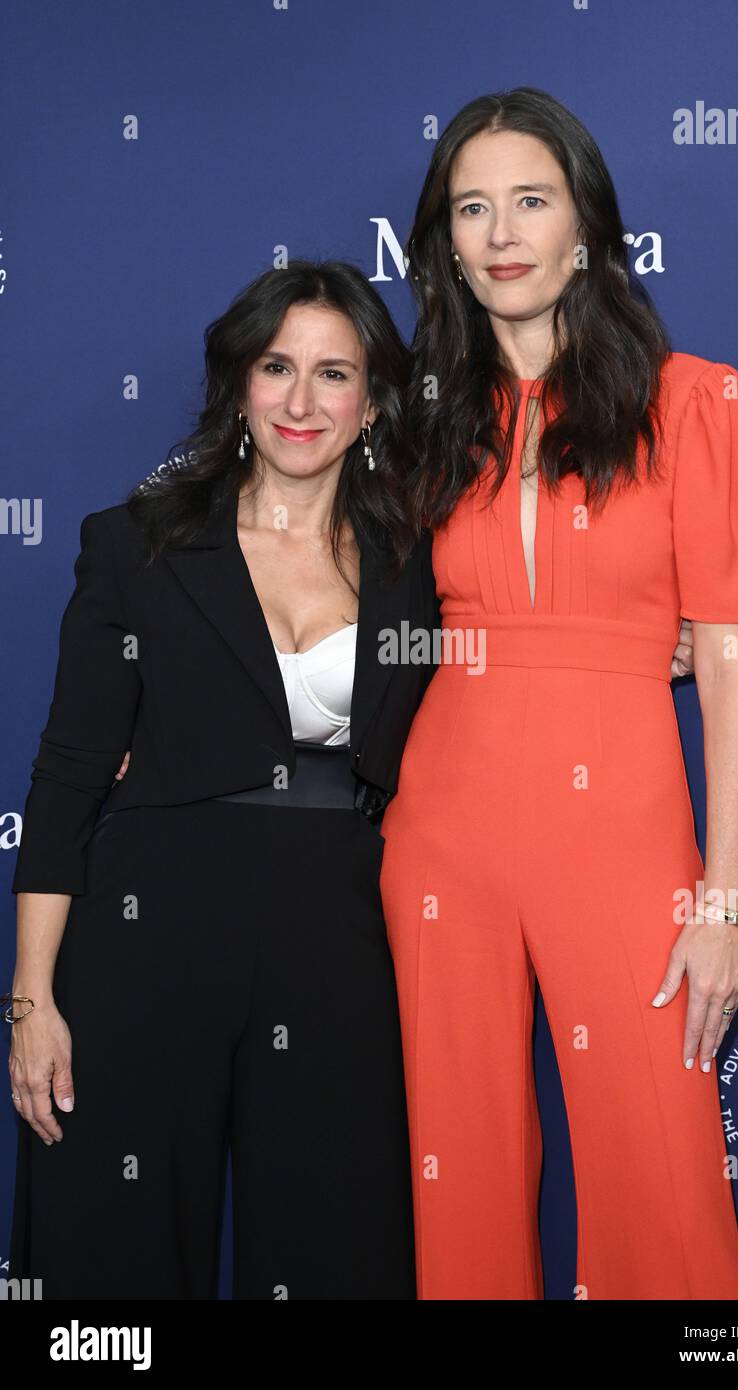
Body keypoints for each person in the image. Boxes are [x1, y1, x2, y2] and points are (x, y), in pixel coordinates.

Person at [378, 88, 738, 1300]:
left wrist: (727, 902)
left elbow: (727, 657)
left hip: (624, 833)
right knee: (460, 1185)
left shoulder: (695, 400)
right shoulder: (419, 422)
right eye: (473, 206)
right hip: (441, 836)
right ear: (446, 240)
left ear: (587, 227)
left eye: (532, 200)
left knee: (663, 1181)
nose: (503, 231)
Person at [5, 262, 438, 1300]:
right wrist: (32, 1000)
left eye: (333, 373)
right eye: (276, 366)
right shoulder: (138, 544)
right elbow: (67, 775)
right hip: (148, 931)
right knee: (116, 1263)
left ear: (373, 399)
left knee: (339, 1249)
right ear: (238, 384)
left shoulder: (420, 561)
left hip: (340, 940)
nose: (301, 401)